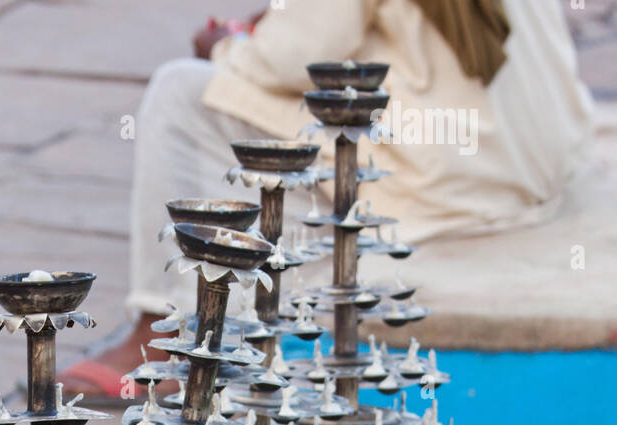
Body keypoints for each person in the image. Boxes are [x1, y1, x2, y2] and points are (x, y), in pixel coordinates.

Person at [61, 0, 592, 402]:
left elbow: (293, 55)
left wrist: (228, 44)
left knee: (181, 91)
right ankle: (260, 282)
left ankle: (165, 333)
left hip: (448, 180)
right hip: (528, 164)